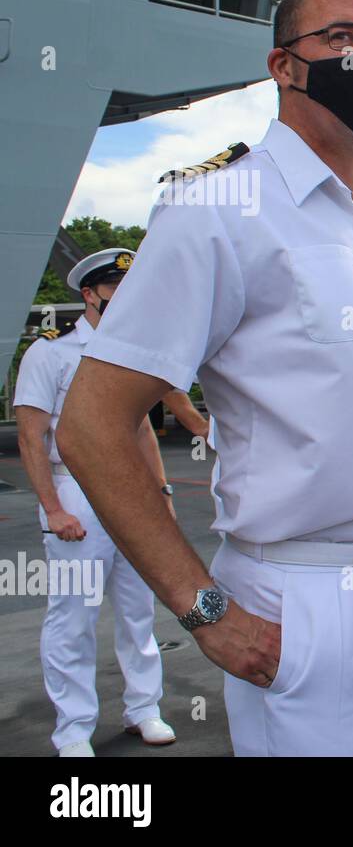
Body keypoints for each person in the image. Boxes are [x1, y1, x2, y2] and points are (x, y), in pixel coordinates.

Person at [56, 0, 353, 757]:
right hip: (313, 598)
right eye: (341, 38)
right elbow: (92, 422)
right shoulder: (218, 210)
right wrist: (204, 610)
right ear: (282, 66)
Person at [14, 248, 176, 756]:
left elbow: (143, 427)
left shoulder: (132, 348)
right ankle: (74, 729)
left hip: (133, 492)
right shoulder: (49, 352)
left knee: (138, 609)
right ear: (90, 294)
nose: (127, 296)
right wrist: (53, 508)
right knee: (74, 617)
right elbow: (31, 436)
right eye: (116, 288)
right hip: (76, 491)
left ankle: (144, 709)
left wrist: (163, 492)